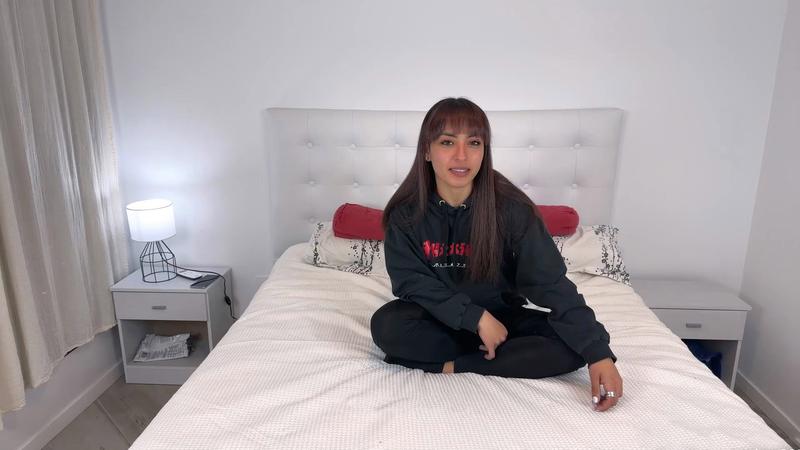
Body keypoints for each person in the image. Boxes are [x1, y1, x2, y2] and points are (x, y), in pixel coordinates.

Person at [370, 97, 623, 412]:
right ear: (426, 151)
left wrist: (599, 354)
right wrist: (475, 318)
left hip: (502, 322)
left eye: (473, 143)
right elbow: (411, 282)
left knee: (573, 347)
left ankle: (451, 365)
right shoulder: (405, 214)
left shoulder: (512, 208)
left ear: (484, 151)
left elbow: (550, 282)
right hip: (437, 318)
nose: (461, 155)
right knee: (387, 325)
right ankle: (489, 358)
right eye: (447, 142)